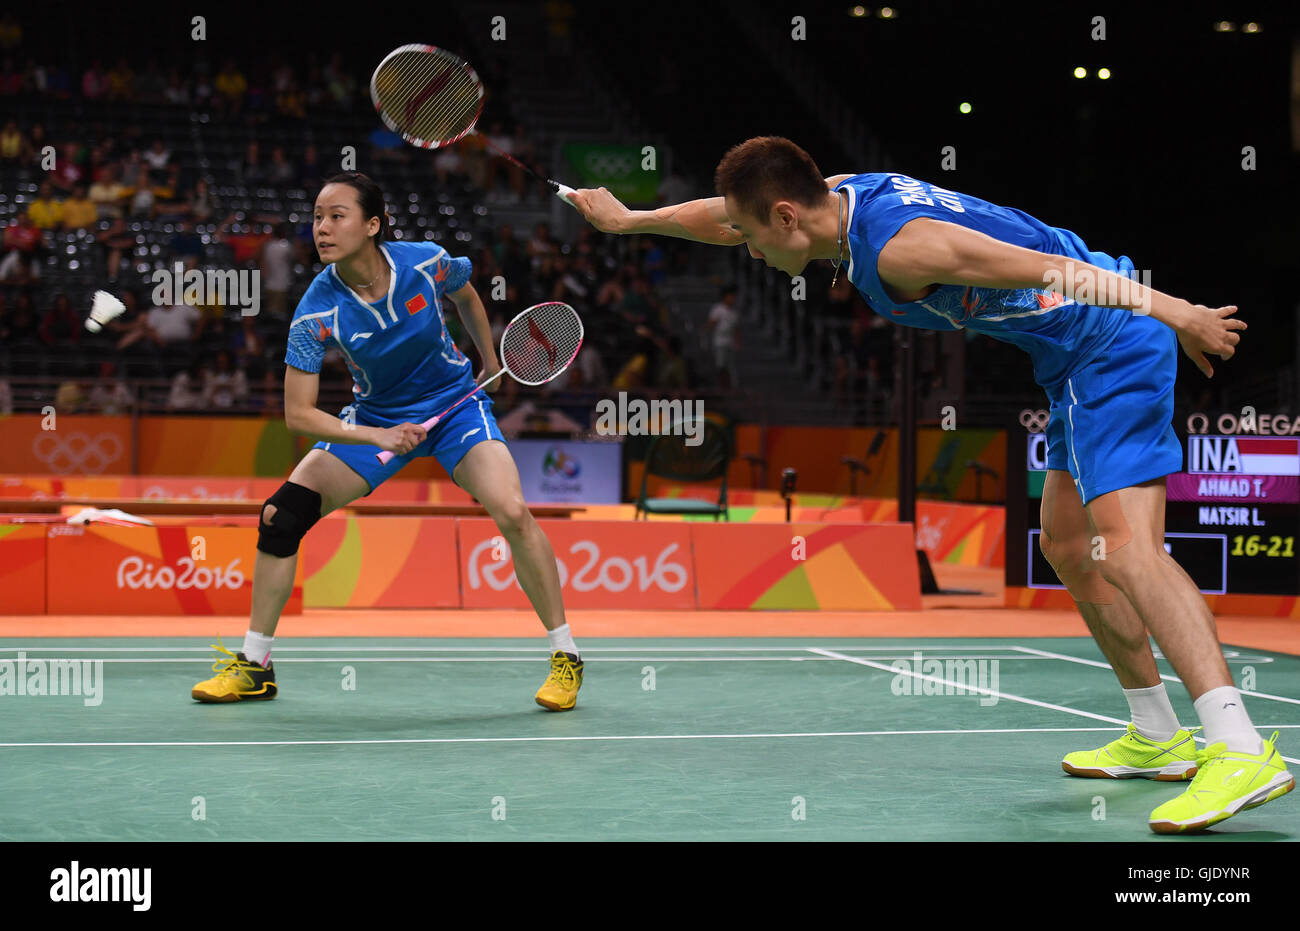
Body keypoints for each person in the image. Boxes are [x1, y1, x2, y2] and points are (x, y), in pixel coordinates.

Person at [567, 135, 1291, 835]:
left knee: (1128, 549)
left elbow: (1049, 269)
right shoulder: (834, 202)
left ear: (787, 215)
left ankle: (1237, 745)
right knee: (1071, 547)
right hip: (1069, 365)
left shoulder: (901, 248)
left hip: (1113, 340)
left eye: (755, 239)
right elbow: (718, 216)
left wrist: (1176, 312)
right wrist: (631, 219)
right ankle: (1156, 732)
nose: (749, 251)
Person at [191, 172, 583, 711]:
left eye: (336, 216)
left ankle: (566, 655)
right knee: (282, 515)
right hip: (378, 416)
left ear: (373, 225)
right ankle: (255, 666)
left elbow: (466, 294)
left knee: (513, 511)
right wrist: (380, 433)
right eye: (317, 218)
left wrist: (492, 362)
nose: (322, 229)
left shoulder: (424, 261)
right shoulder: (316, 312)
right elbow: (298, 414)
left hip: (456, 408)